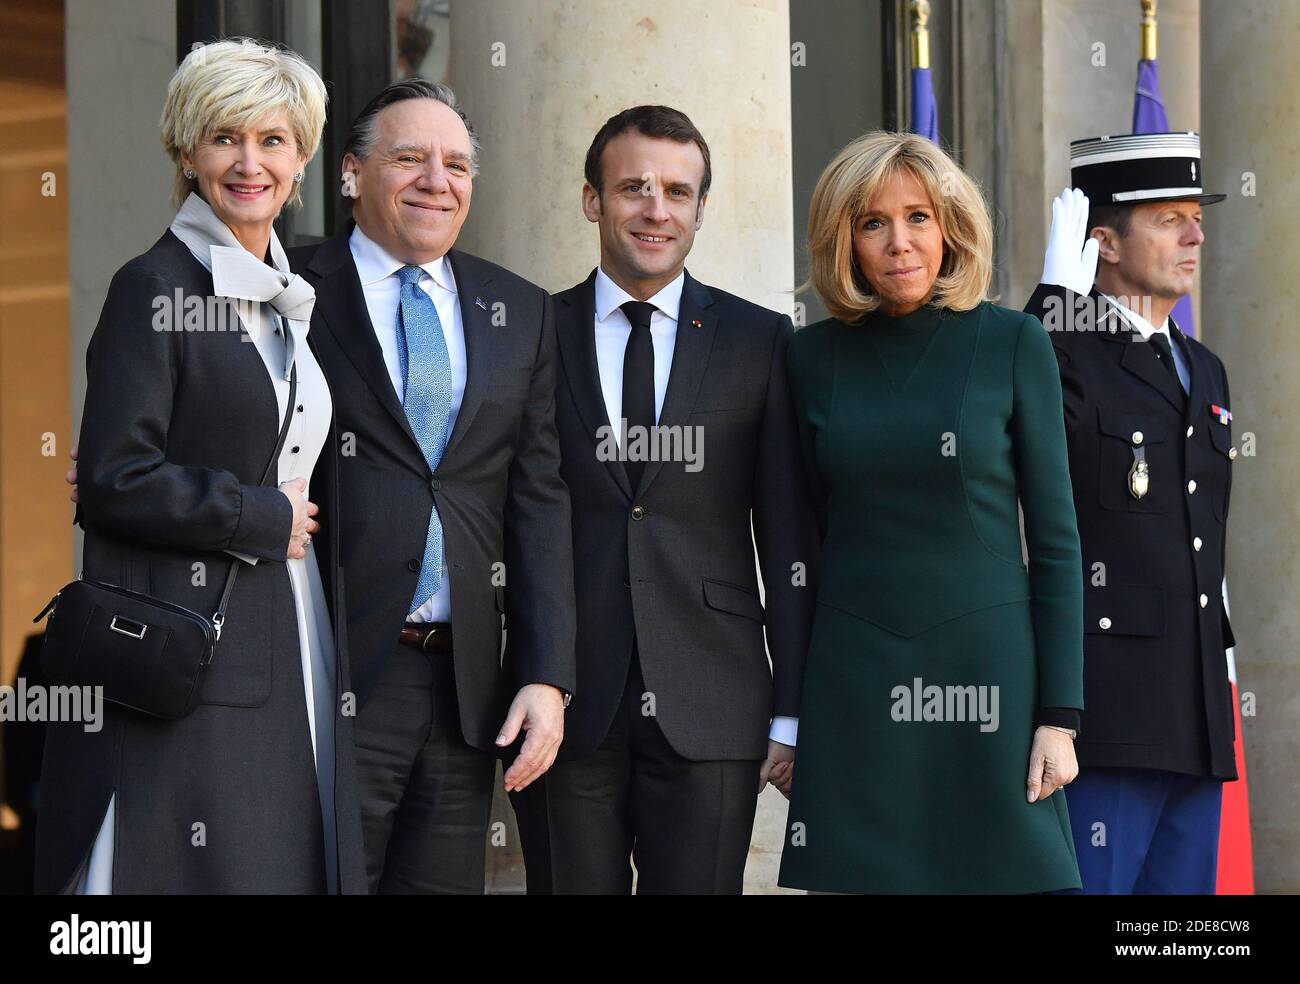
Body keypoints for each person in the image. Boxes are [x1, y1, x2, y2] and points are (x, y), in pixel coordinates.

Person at [39, 38, 366, 894]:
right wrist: (264, 517)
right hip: (190, 645)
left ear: (302, 160)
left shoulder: (288, 293)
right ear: (187, 152)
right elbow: (113, 477)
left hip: (289, 631)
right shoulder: (152, 284)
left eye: (273, 140)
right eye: (224, 138)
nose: (250, 161)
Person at [509, 105, 819, 894]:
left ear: (700, 210)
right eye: (634, 188)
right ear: (592, 201)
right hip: (567, 698)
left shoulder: (759, 341)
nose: (657, 209)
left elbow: (787, 540)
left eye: (678, 192)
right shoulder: (535, 333)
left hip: (714, 701)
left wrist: (790, 711)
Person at [288, 80, 576, 894]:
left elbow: (539, 498)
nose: (436, 180)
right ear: (349, 172)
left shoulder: (518, 309)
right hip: (331, 667)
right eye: (409, 158)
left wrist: (548, 675)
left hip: (465, 687)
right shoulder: (291, 292)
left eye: (455, 164)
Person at [778, 131, 1084, 894]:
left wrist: (1060, 714)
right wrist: (787, 717)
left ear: (949, 226)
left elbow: (1056, 545)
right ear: (843, 238)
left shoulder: (1015, 342)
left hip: (993, 683)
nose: (900, 242)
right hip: (854, 684)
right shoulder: (806, 359)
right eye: (873, 222)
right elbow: (793, 550)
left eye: (918, 217)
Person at [1024, 132, 1237, 894]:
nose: (1195, 234)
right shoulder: (1062, 348)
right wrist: (1050, 312)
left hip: (1195, 712)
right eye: (1168, 218)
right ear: (1103, 242)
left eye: (1196, 215)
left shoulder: (1200, 365)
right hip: (1104, 717)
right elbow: (1014, 438)